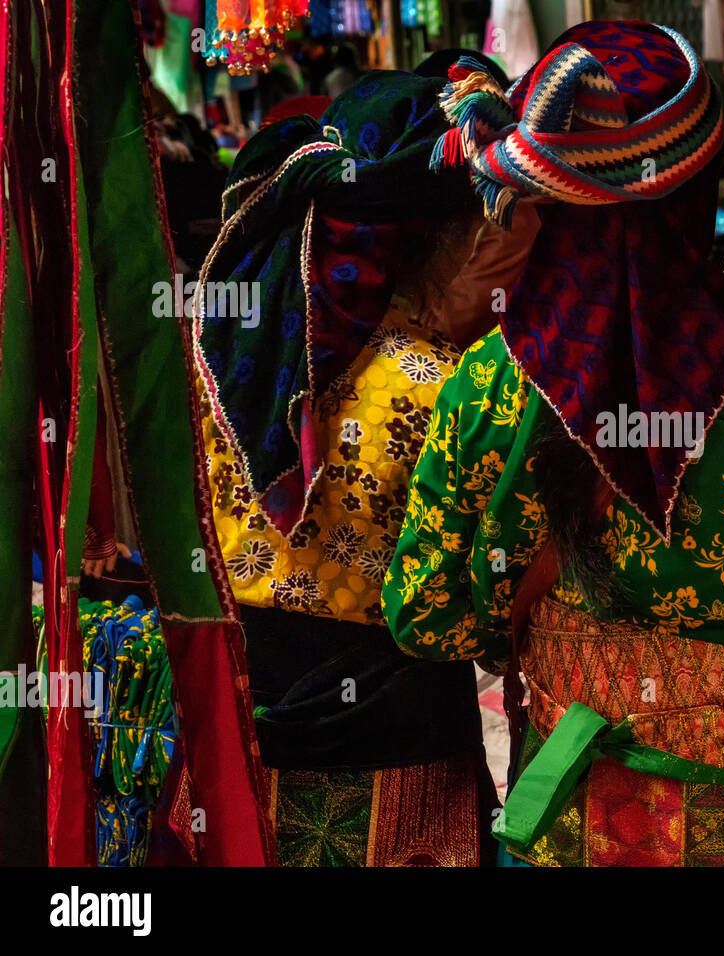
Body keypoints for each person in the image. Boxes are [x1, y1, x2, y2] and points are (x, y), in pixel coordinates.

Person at [384, 20, 724, 867]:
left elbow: (429, 616)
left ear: (545, 196)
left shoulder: (487, 383)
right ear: (701, 188)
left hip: (582, 802)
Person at [194, 69, 539, 866]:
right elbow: (486, 608)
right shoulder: (456, 385)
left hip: (235, 738)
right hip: (397, 755)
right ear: (449, 234)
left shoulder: (221, 355)